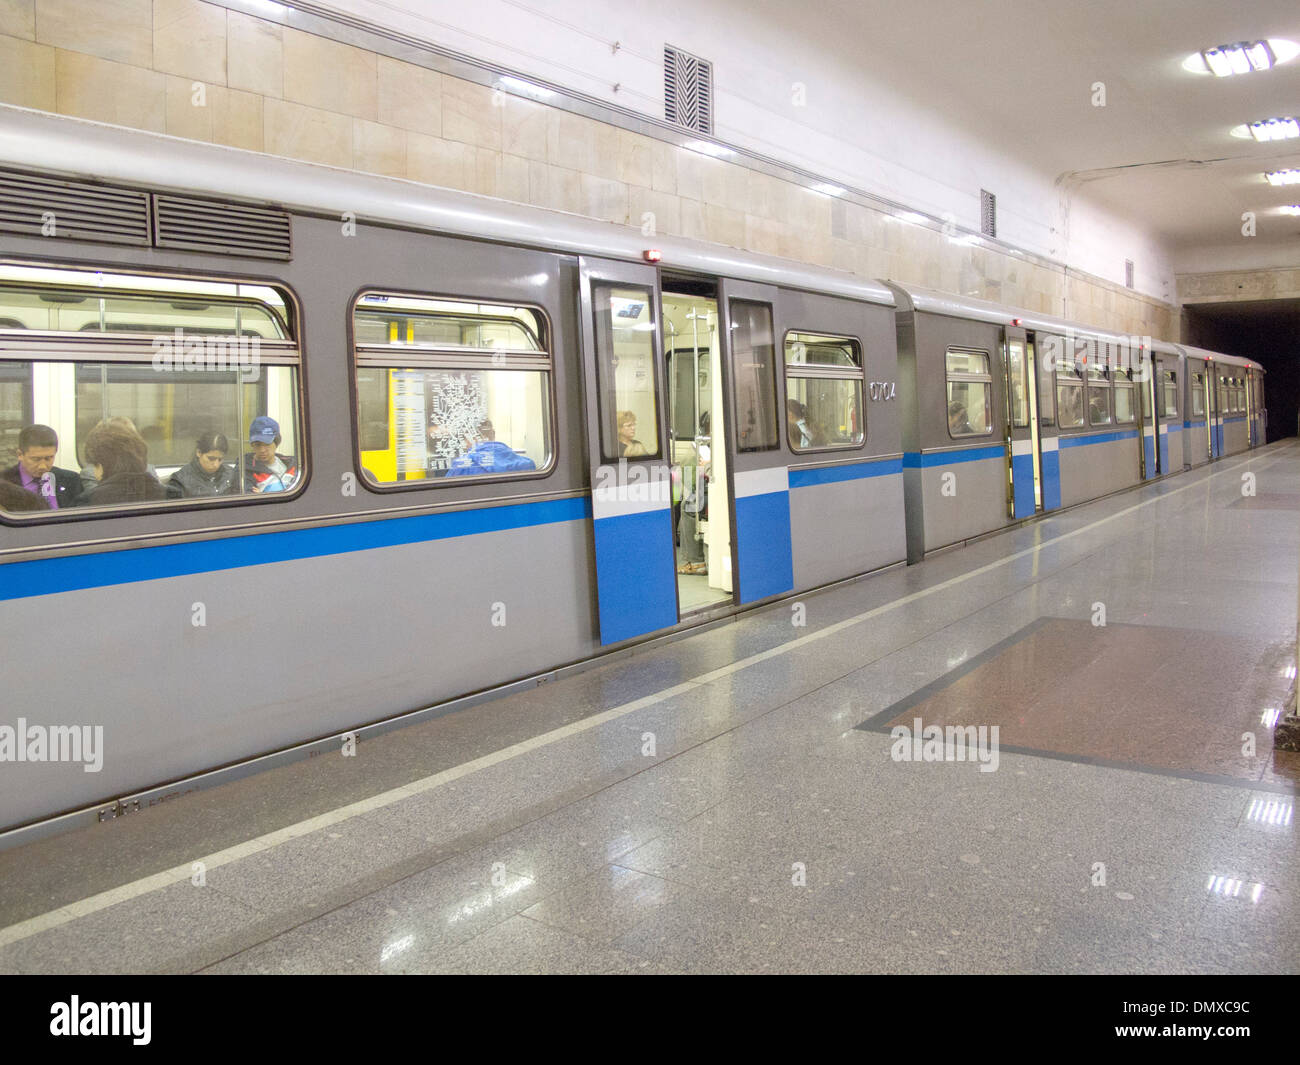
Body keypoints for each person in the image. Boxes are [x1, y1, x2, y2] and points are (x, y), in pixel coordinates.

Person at [80, 421, 166, 506]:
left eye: (95, 466)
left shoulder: (89, 501)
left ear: (102, 465)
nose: (94, 472)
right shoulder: (172, 495)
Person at [1, 424, 83, 510]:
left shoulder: (71, 480)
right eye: (36, 459)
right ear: (20, 455)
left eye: (48, 458)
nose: (42, 466)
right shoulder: (4, 483)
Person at [445, 419, 536, 477]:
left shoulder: (462, 466)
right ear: (493, 434)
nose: (464, 444)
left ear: (471, 438)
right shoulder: (527, 464)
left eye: (464, 439)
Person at [167, 432, 240, 499]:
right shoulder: (180, 480)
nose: (216, 465)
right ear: (199, 452)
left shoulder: (231, 474)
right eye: (211, 458)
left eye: (220, 459)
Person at [243, 416, 300, 493]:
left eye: (267, 444)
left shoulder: (292, 464)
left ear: (277, 442)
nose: (262, 450)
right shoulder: (246, 470)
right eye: (257, 445)